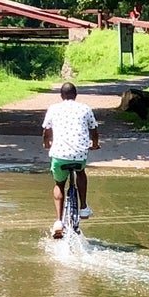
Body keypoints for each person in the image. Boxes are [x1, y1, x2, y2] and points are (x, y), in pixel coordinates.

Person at [42, 82, 100, 238]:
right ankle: (84, 208)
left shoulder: (54, 108)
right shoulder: (85, 108)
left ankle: (58, 222)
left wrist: (47, 144)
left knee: (59, 184)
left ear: (61, 96)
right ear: (76, 95)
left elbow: (46, 131)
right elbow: (94, 130)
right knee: (81, 172)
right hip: (79, 154)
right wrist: (94, 145)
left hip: (59, 155)